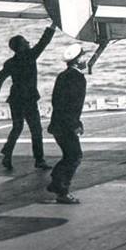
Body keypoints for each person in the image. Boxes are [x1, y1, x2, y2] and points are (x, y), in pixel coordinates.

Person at [0, 25, 56, 170]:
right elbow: (44, 42)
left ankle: (8, 151)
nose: (28, 43)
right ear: (21, 47)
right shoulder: (31, 56)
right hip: (29, 99)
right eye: (25, 42)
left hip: (15, 100)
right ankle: (39, 160)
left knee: (17, 128)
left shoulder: (10, 63)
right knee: (36, 130)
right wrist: (52, 27)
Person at [46, 44, 89, 205]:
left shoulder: (63, 75)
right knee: (74, 156)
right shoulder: (76, 78)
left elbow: (58, 102)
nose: (86, 59)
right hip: (66, 125)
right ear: (77, 61)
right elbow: (71, 105)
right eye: (83, 56)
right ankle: (61, 191)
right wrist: (75, 124)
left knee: (69, 155)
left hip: (58, 123)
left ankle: (55, 182)